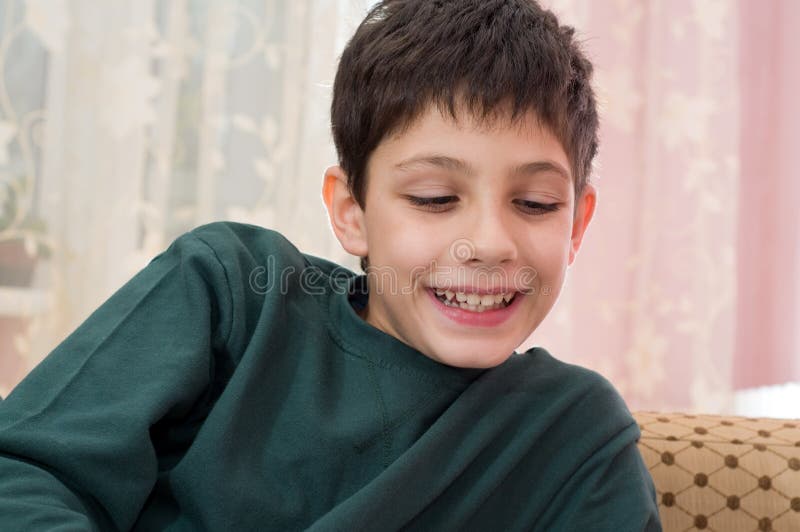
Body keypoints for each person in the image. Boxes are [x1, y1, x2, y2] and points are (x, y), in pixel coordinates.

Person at [0, 0, 662, 530]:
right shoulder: (231, 292)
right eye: (435, 199)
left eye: (534, 203)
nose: (490, 243)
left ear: (576, 224)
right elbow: (25, 475)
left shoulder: (574, 437)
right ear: (350, 211)